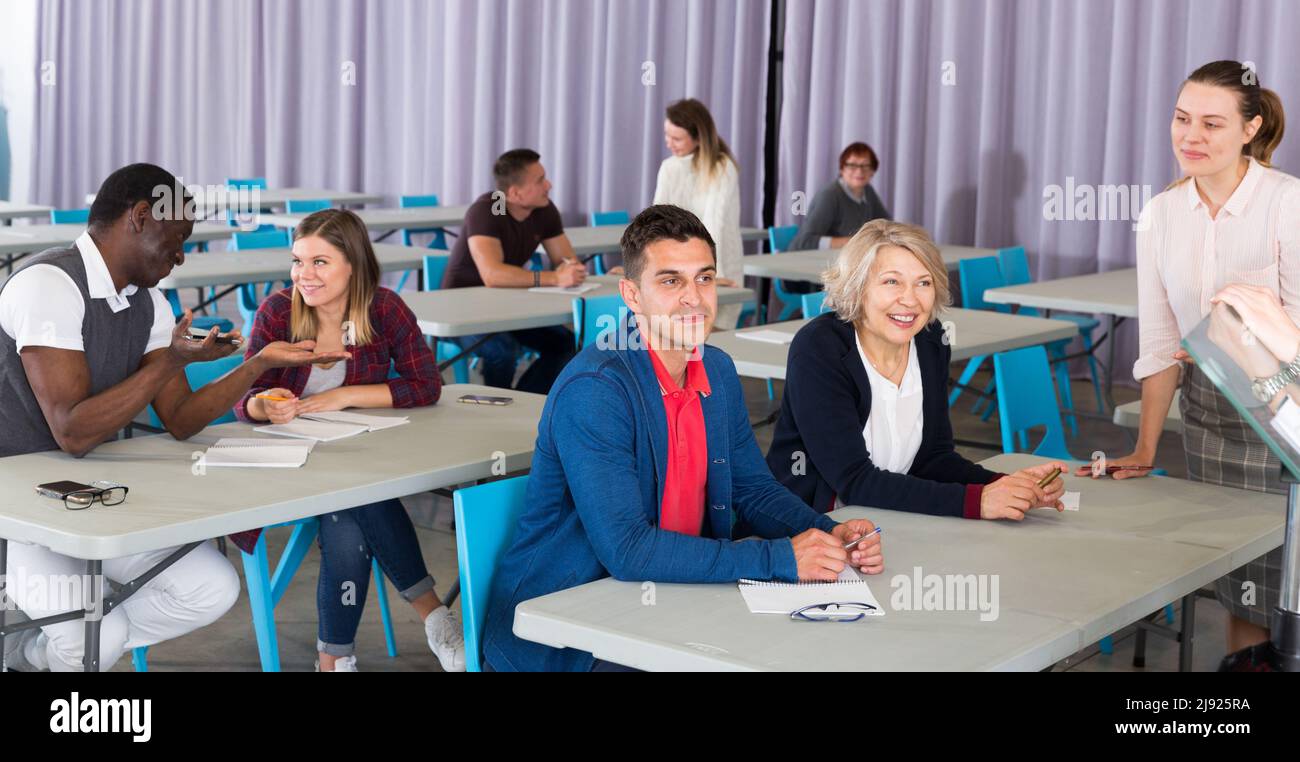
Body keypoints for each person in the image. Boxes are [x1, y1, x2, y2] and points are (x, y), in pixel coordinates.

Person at [481, 205, 885, 672]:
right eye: (671, 281)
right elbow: (627, 550)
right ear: (631, 295)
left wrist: (823, 531)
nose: (694, 298)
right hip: (567, 631)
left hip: (673, 600)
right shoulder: (596, 389)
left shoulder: (717, 368)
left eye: (705, 278)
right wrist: (780, 558)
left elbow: (752, 488)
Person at [0, 163, 343, 671]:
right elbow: (73, 431)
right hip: (14, 508)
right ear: (140, 217)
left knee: (211, 587)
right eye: (178, 237)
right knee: (99, 634)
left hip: (80, 494)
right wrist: (170, 361)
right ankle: (68, 647)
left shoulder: (149, 303)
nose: (181, 255)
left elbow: (180, 418)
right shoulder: (48, 284)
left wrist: (259, 362)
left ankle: (34, 652)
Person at [1076, 60, 1298, 654]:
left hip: (1286, 414)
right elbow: (1158, 342)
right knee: (1242, 585)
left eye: (1211, 123)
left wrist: (1242, 337)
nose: (1190, 137)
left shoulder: (1286, 203)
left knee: (1293, 586)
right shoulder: (1161, 214)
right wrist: (1147, 447)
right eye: (1181, 119)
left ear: (1250, 129)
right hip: (1208, 417)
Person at [233, 208, 464, 672]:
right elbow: (243, 395)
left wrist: (344, 396)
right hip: (286, 464)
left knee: (348, 509)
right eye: (299, 261)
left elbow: (426, 385)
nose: (304, 274)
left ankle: (333, 661)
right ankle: (435, 617)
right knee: (359, 497)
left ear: (353, 265)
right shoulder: (278, 311)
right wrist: (265, 405)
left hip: (354, 456)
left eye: (320, 262)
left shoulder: (384, 308)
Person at [766, 219, 1067, 519]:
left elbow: (934, 458)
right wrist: (978, 501)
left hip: (891, 519)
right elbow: (854, 481)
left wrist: (1005, 485)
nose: (910, 300)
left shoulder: (930, 341)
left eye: (923, 283)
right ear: (858, 288)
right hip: (811, 528)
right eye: (891, 281)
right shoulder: (819, 348)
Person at [441, 148, 581, 393]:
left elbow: (565, 259)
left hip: (507, 306)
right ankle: (498, 416)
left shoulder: (543, 209)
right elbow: (493, 275)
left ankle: (521, 401)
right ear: (514, 194)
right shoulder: (489, 209)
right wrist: (555, 277)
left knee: (567, 344)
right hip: (462, 309)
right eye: (540, 181)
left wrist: (572, 268)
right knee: (502, 352)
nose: (549, 185)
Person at [653, 98, 745, 328]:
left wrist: (712, 274)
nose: (669, 143)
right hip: (678, 269)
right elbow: (655, 223)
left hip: (720, 263)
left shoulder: (722, 167)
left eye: (676, 138)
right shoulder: (669, 168)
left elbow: (716, 225)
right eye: (667, 135)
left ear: (697, 137)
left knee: (711, 339)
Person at [789, 141, 892, 252]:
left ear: (872, 171)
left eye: (865, 165)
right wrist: (856, 242)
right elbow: (805, 242)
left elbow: (887, 225)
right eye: (852, 165)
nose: (859, 171)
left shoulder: (867, 191)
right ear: (842, 169)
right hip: (808, 261)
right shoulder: (829, 195)